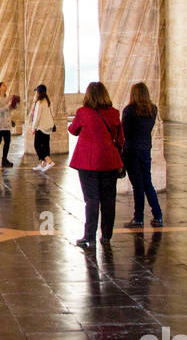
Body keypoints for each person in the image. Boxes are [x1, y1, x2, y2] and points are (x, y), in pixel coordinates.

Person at [68, 81, 125, 248]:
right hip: (109, 161)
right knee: (109, 199)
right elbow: (121, 138)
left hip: (88, 163)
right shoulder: (114, 113)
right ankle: (107, 235)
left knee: (91, 200)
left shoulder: (83, 112)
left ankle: (90, 236)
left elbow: (73, 130)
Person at [122, 82, 164, 227]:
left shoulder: (129, 111)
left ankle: (138, 218)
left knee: (137, 185)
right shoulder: (153, 109)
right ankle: (157, 215)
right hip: (145, 149)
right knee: (147, 183)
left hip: (131, 151)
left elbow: (125, 133)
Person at [29, 84, 57, 172]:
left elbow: (37, 117)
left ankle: (49, 162)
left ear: (39, 93)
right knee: (45, 146)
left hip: (41, 127)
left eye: (36, 92)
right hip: (48, 127)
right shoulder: (47, 101)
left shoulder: (39, 102)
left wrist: (33, 128)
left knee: (37, 145)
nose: (35, 94)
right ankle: (43, 164)